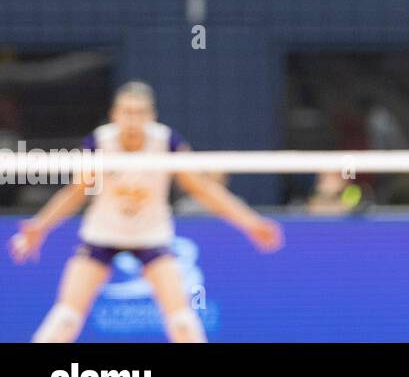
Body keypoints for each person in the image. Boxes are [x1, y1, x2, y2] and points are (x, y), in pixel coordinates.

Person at [7, 81, 282, 342]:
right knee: (65, 319)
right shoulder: (98, 143)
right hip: (103, 234)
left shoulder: (168, 143)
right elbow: (76, 192)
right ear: (114, 114)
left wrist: (250, 222)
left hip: (151, 236)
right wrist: (40, 226)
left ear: (151, 116)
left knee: (183, 323)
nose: (132, 119)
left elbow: (204, 190)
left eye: (139, 113)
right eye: (126, 112)